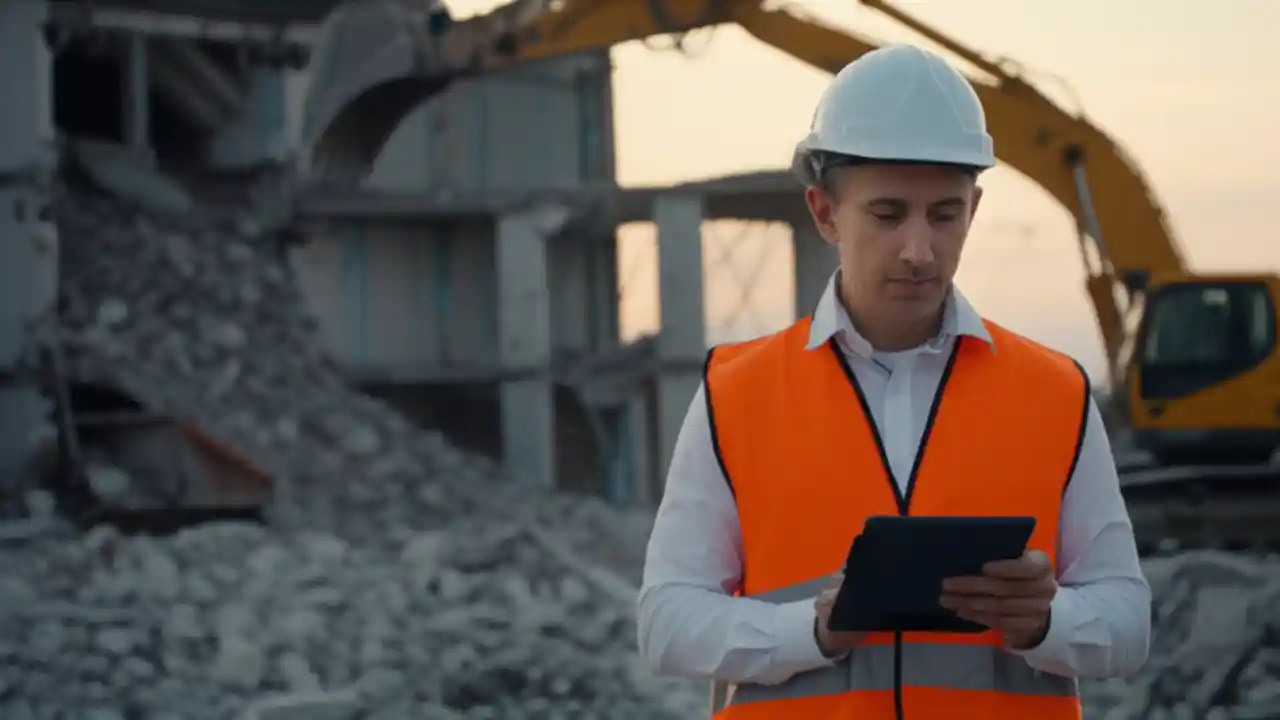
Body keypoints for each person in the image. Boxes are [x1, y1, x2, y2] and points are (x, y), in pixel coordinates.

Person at [635, 43, 1151, 719]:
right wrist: (811, 633)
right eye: (887, 214)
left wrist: (1046, 621)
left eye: (945, 214)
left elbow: (1129, 622)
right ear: (825, 213)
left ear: (975, 207)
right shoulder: (738, 394)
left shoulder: (1055, 393)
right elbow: (666, 623)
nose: (919, 249)